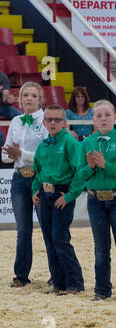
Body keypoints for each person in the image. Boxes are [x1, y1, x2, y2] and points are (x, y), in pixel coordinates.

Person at [62, 101, 116, 301]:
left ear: (115, 117)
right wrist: (89, 167)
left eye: (107, 114)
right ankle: (102, 291)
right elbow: (79, 176)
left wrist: (106, 165)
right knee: (100, 248)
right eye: (99, 116)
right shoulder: (86, 143)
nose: (103, 119)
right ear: (93, 120)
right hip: (95, 200)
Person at [31, 105, 84, 294]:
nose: (53, 123)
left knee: (60, 239)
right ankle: (58, 283)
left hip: (62, 194)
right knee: (49, 239)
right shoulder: (43, 145)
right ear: (44, 123)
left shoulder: (70, 143)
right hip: (45, 195)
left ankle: (75, 283)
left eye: (57, 120)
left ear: (64, 123)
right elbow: (38, 171)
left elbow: (80, 171)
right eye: (49, 119)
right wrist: (34, 191)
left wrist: (69, 196)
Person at [1, 81, 46, 286]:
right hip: (19, 177)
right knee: (23, 230)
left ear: (40, 99)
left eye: (33, 95)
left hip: (40, 177)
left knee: (48, 228)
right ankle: (21, 276)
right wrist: (8, 155)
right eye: (25, 95)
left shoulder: (47, 120)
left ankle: (56, 274)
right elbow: (7, 154)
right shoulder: (16, 121)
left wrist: (22, 154)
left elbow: (47, 156)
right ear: (20, 99)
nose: (29, 98)